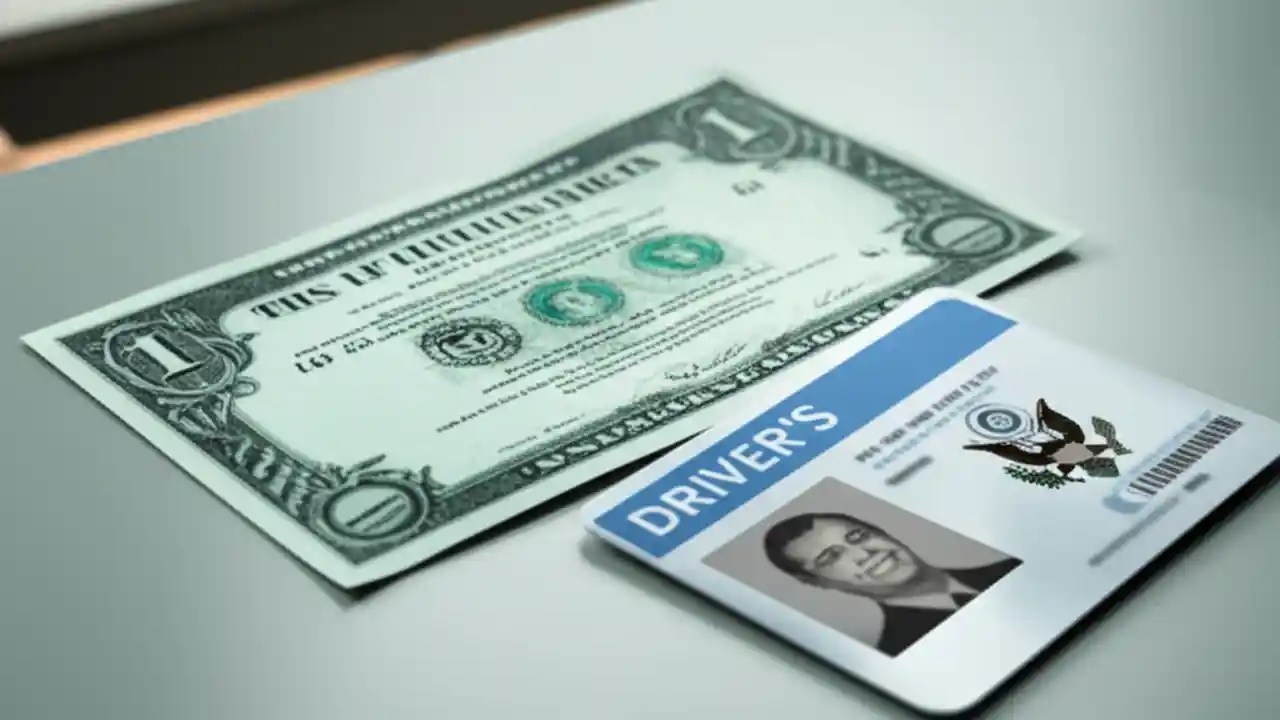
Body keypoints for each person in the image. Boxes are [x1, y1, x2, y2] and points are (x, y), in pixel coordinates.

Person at [763, 512, 1020, 656]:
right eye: (831, 557)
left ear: (885, 533)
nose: (864, 554)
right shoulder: (900, 653)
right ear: (816, 583)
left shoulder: (1012, 567)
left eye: (858, 536)